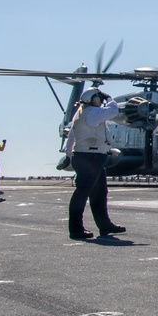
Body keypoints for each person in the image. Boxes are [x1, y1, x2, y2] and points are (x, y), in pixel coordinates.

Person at [63, 88, 127, 240]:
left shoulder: (81, 113)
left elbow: (71, 136)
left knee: (99, 193)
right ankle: (76, 229)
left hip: (89, 156)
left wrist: (69, 154)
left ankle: (104, 225)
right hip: (90, 156)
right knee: (83, 192)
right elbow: (112, 111)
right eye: (99, 97)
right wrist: (110, 97)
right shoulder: (92, 113)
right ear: (94, 99)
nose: (101, 100)